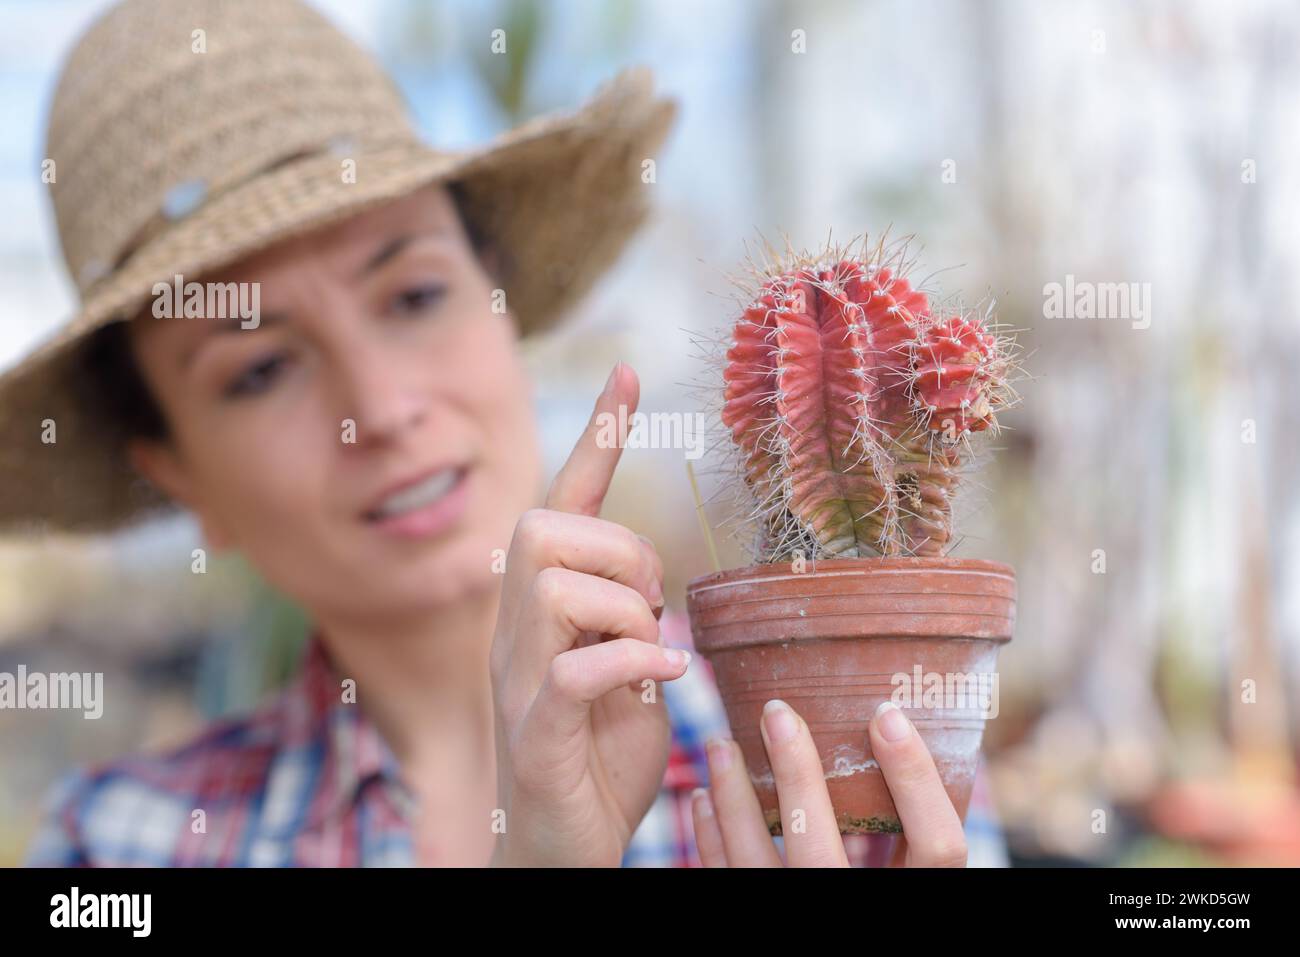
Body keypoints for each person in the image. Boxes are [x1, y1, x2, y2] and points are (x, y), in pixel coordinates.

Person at [11, 0, 1007, 867]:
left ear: (501, 308)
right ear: (182, 480)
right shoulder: (119, 844)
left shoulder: (862, 744)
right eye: (260, 369)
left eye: (414, 295)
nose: (384, 405)